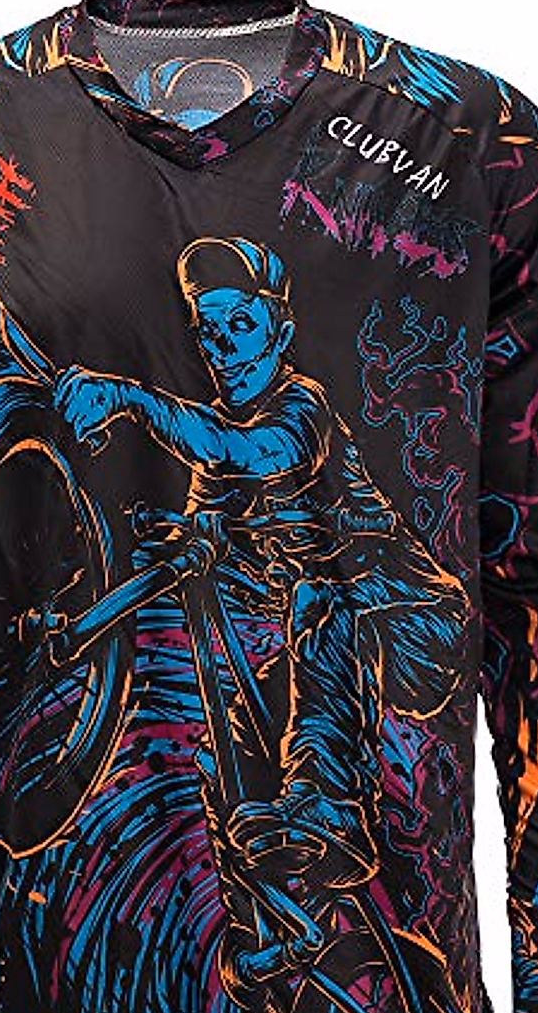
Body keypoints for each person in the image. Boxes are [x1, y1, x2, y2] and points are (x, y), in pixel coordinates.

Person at [52, 235, 472, 892]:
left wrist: (131, 400)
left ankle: (331, 811)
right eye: (209, 331)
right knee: (234, 738)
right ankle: (267, 905)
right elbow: (205, 532)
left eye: (242, 326)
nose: (223, 348)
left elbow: (248, 452)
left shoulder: (301, 408)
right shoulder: (215, 453)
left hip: (414, 626)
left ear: (281, 334)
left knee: (321, 604)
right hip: (327, 647)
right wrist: (170, 544)